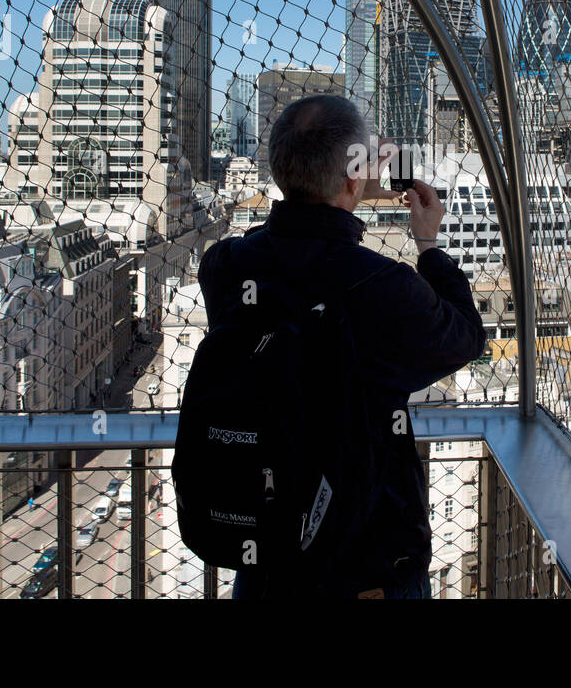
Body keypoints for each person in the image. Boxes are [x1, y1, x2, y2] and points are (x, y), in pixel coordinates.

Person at [198, 94, 486, 599]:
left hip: (266, 555)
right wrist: (427, 244)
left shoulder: (225, 267)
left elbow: (284, 252)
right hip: (366, 563)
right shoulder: (381, 286)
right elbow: (466, 336)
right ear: (355, 174)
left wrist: (343, 186)